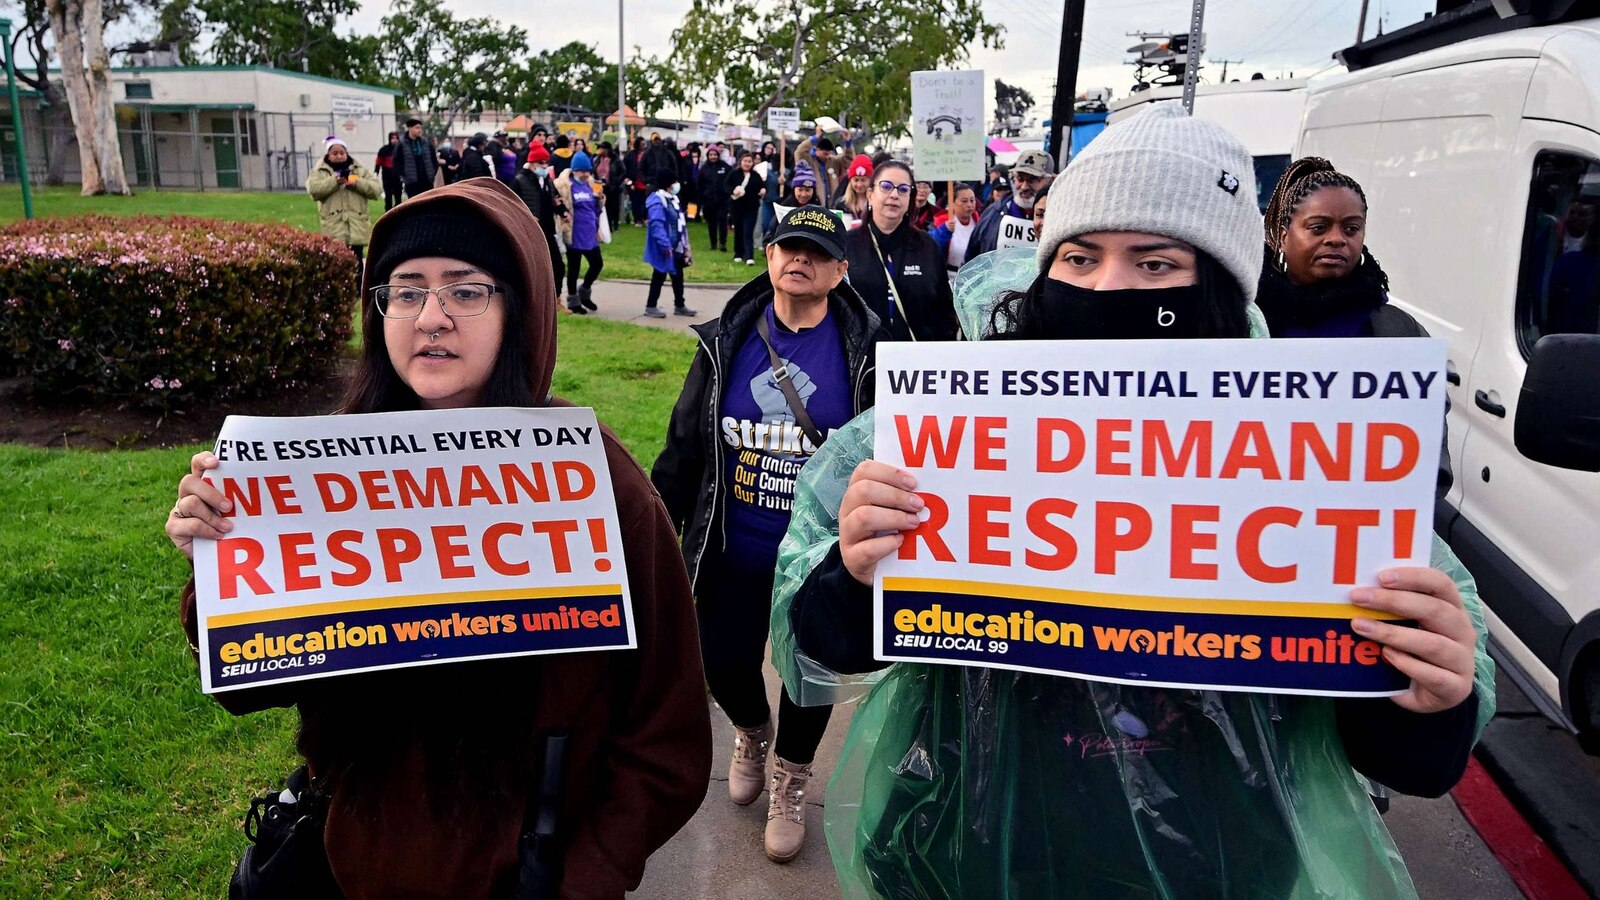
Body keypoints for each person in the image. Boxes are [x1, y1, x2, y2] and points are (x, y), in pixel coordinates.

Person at [769, 101, 1494, 899]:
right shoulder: (957, 430)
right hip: (959, 854)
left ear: (1216, 289)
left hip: (1217, 868)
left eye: (1155, 264)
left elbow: (1400, 754)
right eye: (1079, 259)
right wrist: (857, 567)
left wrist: (1428, 695)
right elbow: (819, 651)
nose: (1106, 288)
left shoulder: (1309, 458)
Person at [164, 178, 712, 898]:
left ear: (521, 310)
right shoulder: (318, 475)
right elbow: (258, 683)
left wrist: (584, 877)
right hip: (348, 867)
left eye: (466, 290)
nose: (432, 317)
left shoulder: (603, 488)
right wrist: (219, 564)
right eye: (407, 290)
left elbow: (665, 740)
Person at [652, 206, 883, 864]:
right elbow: (683, 445)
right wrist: (656, 529)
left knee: (809, 675)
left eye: (816, 251)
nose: (797, 259)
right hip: (733, 551)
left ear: (840, 271)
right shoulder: (726, 340)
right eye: (787, 245)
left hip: (817, 558)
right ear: (769, 254)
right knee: (723, 663)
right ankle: (753, 733)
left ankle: (790, 775)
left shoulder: (867, 351)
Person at [1259, 157, 1432, 340]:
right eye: (1318, 227)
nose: (1337, 239)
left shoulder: (1400, 330)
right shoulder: (1244, 324)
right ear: (1283, 236)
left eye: (1351, 229)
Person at [841, 160, 957, 341]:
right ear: (870, 194)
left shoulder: (927, 247)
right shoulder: (847, 245)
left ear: (911, 198)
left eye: (903, 189)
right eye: (886, 186)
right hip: (861, 362)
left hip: (917, 362)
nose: (894, 194)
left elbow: (944, 314)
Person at [307, 136, 381, 271]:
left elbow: (376, 190)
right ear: (328, 155)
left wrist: (355, 182)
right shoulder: (319, 171)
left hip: (356, 226)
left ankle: (359, 290)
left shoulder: (359, 169)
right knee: (336, 266)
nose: (339, 156)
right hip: (334, 227)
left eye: (342, 153)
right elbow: (314, 190)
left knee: (357, 266)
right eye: (335, 154)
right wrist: (335, 181)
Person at [965, 149, 1055, 261]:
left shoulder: (1059, 219)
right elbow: (972, 258)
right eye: (1020, 179)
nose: (1024, 187)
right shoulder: (992, 213)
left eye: (1034, 180)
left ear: (1050, 181)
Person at [512, 140, 568, 307]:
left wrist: (563, 211)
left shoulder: (547, 182)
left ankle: (556, 299)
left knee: (558, 265)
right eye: (541, 163)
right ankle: (531, 302)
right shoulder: (520, 180)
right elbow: (512, 205)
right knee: (532, 269)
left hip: (548, 230)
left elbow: (555, 199)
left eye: (546, 162)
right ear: (532, 163)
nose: (545, 166)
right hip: (531, 232)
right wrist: (527, 217)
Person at [557, 151, 606, 314]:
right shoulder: (565, 185)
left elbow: (598, 209)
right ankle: (573, 300)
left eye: (588, 171)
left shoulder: (592, 184)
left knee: (597, 264)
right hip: (574, 232)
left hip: (590, 231)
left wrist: (600, 198)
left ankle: (585, 290)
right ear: (575, 170)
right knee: (574, 268)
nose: (586, 174)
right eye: (583, 171)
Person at [643, 174, 697, 318]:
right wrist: (664, 244)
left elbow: (677, 221)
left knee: (678, 276)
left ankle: (680, 305)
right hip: (665, 247)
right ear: (668, 184)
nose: (677, 184)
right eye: (675, 181)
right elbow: (657, 224)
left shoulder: (672, 199)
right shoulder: (657, 201)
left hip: (676, 246)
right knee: (659, 275)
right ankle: (651, 306)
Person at [764, 160, 822, 244]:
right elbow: (773, 229)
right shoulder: (786, 205)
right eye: (800, 190)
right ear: (794, 189)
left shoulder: (818, 207)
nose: (803, 194)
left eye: (808, 190)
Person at [728, 151, 766, 266]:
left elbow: (762, 186)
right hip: (737, 207)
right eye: (745, 161)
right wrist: (733, 190)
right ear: (741, 162)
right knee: (738, 230)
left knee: (748, 231)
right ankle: (738, 253)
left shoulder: (756, 176)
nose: (747, 163)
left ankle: (749, 256)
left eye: (749, 161)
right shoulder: (734, 174)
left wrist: (763, 190)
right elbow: (726, 186)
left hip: (751, 208)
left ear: (753, 163)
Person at [931, 183, 978, 272]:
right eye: (964, 201)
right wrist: (944, 230)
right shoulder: (942, 222)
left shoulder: (979, 221)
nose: (969, 205)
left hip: (972, 275)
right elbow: (932, 246)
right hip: (949, 274)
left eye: (972, 200)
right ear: (952, 203)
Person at [697, 146, 733, 252]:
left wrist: (728, 193)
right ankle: (713, 243)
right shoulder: (703, 169)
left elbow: (730, 180)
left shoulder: (725, 167)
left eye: (715, 155)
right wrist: (702, 198)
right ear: (708, 156)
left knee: (722, 222)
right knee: (711, 223)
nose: (713, 157)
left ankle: (723, 243)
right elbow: (699, 185)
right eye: (711, 155)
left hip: (723, 200)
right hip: (708, 201)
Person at [393, 118, 438, 199]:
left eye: (421, 128)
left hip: (427, 181)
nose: (420, 130)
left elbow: (434, 159)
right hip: (412, 183)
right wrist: (405, 176)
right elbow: (396, 162)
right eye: (417, 128)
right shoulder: (402, 144)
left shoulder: (425, 143)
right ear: (410, 128)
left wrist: (432, 174)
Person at [799, 131, 839, 207]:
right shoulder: (809, 160)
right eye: (825, 154)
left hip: (830, 203)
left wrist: (848, 143)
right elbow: (800, 151)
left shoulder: (832, 161)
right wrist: (815, 137)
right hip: (814, 203)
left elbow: (847, 159)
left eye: (829, 153)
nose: (827, 156)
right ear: (817, 150)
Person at [832, 155, 873, 222]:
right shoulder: (841, 204)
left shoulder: (876, 203)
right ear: (850, 181)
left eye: (863, 180)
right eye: (856, 180)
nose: (859, 185)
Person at [758, 140, 784, 249]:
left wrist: (784, 182)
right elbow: (760, 183)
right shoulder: (766, 171)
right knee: (765, 224)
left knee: (776, 226)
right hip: (768, 201)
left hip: (780, 203)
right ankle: (766, 243)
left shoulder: (784, 173)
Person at [598, 141, 627, 231]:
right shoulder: (598, 159)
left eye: (602, 148)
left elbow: (623, 172)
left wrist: (617, 181)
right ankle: (608, 225)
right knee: (605, 207)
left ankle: (615, 225)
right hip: (602, 186)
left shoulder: (616, 160)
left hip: (613, 187)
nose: (600, 150)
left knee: (614, 206)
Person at [375, 131, 404, 210]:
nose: (394, 140)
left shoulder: (401, 150)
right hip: (387, 176)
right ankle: (388, 212)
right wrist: (376, 172)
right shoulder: (384, 150)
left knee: (398, 196)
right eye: (392, 138)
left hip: (398, 177)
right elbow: (378, 162)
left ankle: (398, 212)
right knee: (388, 196)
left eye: (396, 138)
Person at [626, 137, 650, 226]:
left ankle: (645, 218)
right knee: (636, 202)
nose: (643, 146)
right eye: (642, 144)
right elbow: (626, 167)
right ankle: (638, 219)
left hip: (645, 182)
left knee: (646, 201)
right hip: (634, 182)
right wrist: (627, 179)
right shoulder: (630, 155)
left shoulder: (648, 154)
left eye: (644, 144)